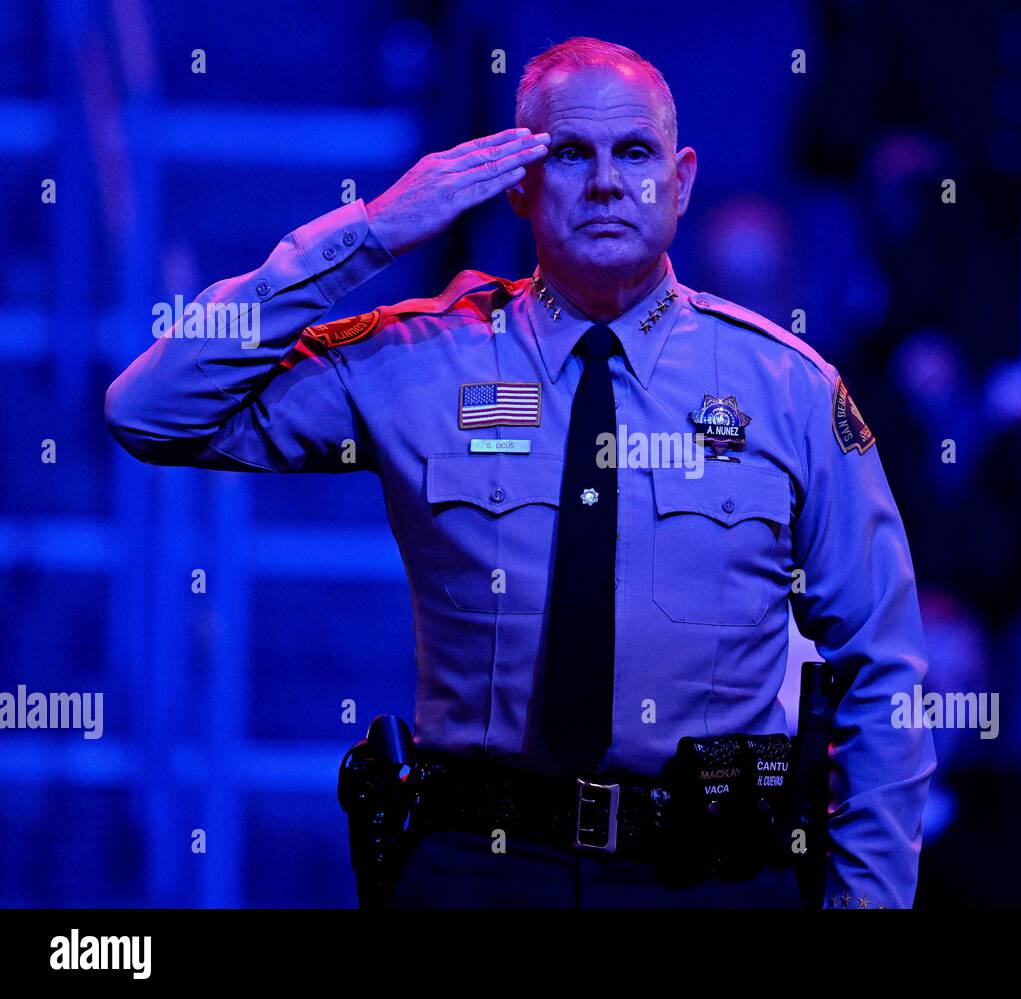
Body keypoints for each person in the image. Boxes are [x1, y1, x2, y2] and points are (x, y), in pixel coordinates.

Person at [104, 36, 934, 909]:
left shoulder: (790, 390)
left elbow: (880, 667)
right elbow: (153, 407)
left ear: (681, 182)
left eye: (636, 153)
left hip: (712, 874)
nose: (608, 181)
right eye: (570, 154)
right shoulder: (421, 361)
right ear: (518, 184)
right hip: (477, 868)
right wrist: (372, 232)